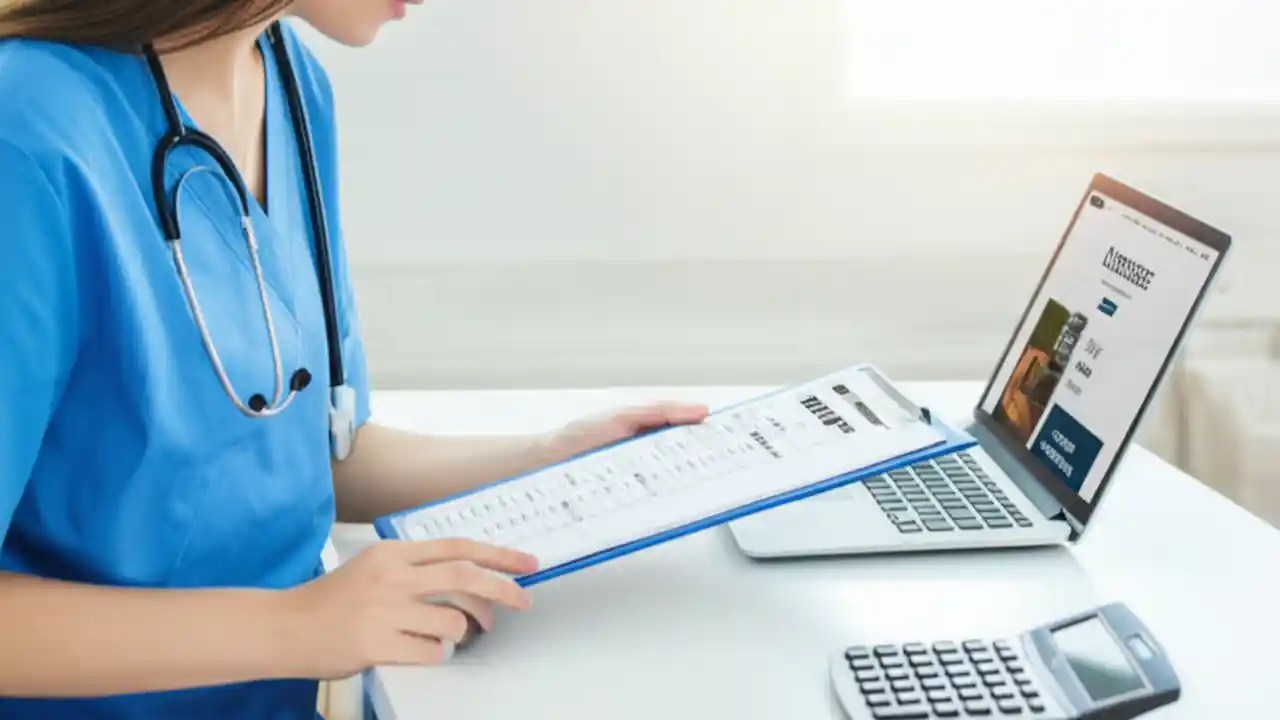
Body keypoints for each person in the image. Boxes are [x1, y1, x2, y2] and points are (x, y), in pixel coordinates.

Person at [0, 1, 708, 717]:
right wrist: (296, 627)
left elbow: (313, 456)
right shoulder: (25, 135)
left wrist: (551, 458)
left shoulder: (291, 86)